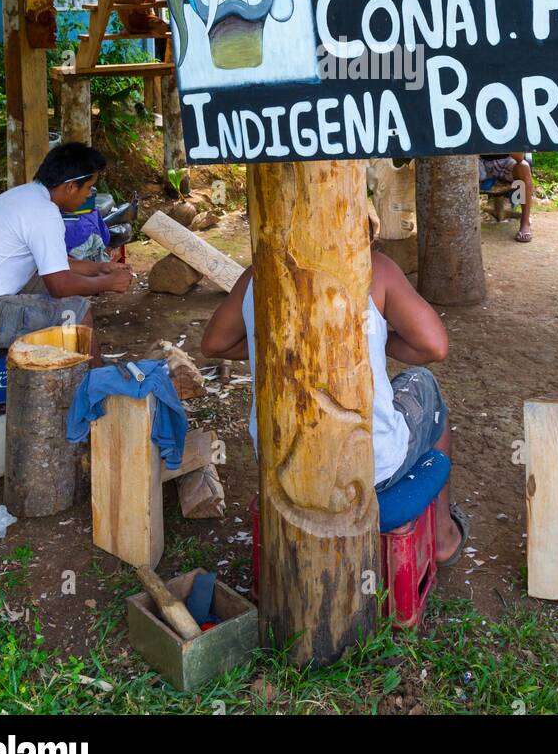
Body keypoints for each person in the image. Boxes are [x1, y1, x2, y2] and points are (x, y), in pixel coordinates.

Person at [201, 249, 469, 565]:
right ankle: (444, 539)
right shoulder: (375, 268)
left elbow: (214, 344)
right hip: (371, 473)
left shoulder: (257, 275)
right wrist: (372, 336)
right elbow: (433, 346)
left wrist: (280, 339)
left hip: (281, 471)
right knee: (425, 386)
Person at [0, 142, 132, 357]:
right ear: (70, 187)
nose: (89, 195)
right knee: (77, 312)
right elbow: (59, 285)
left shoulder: (27, 195)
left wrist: (99, 269)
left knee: (60, 294)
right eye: (87, 188)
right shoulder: (43, 213)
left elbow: (57, 265)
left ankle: (73, 369)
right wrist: (107, 283)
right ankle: (95, 385)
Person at [479, 152, 534, 242]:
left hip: (507, 162)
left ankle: (525, 222)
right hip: (481, 162)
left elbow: (519, 157)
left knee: (524, 166)